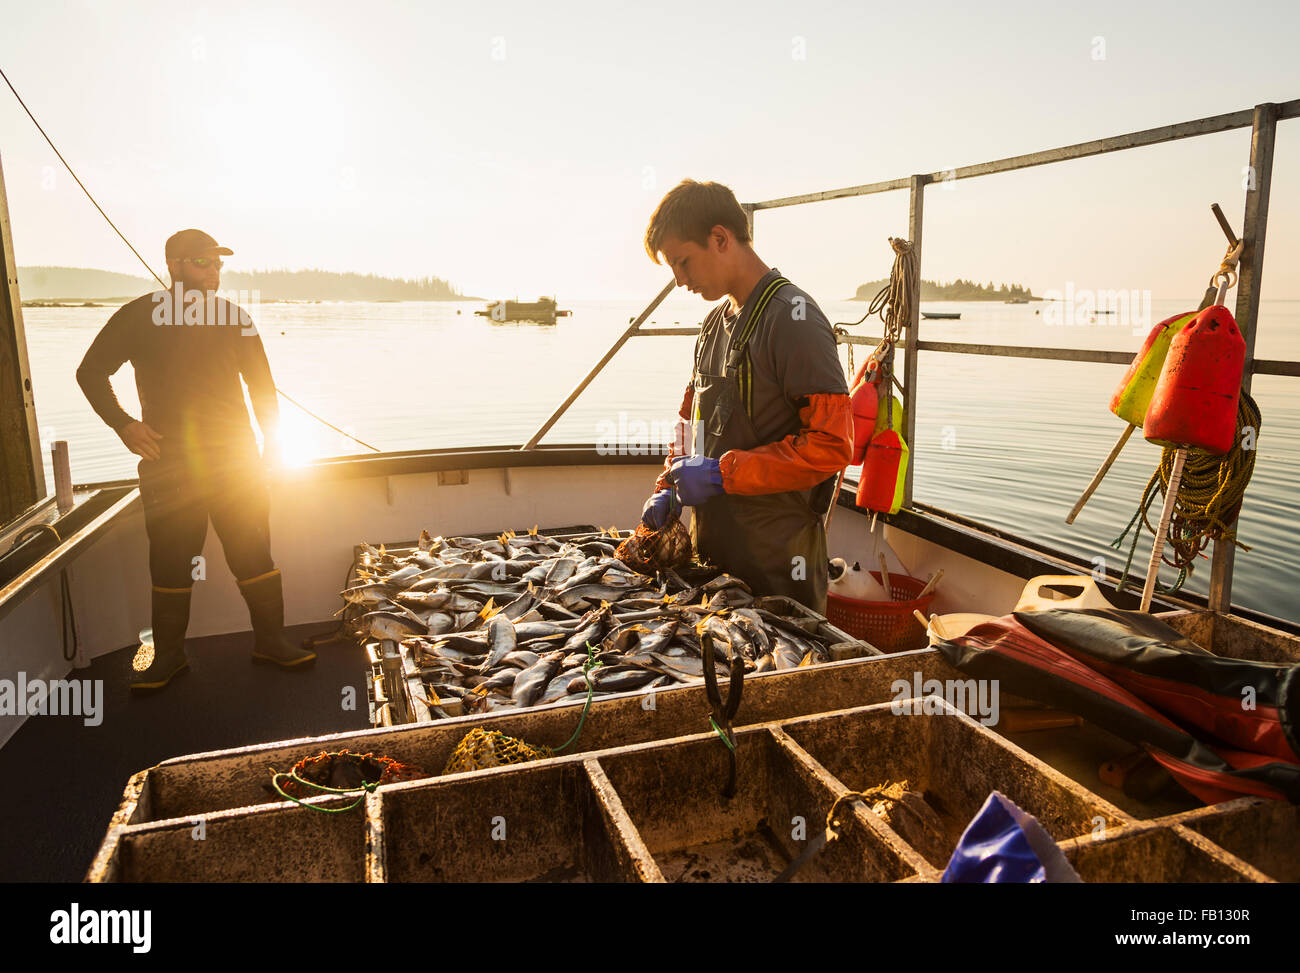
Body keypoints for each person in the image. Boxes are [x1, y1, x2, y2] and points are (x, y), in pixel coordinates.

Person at [76, 229, 315, 693]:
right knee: (170, 559)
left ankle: (270, 641)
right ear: (176, 265)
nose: (214, 271)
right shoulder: (140, 317)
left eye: (219, 264)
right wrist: (124, 425)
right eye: (203, 263)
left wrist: (276, 445)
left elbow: (262, 388)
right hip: (171, 463)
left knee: (252, 551)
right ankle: (168, 656)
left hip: (236, 461)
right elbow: (90, 372)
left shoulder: (235, 319)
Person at [640, 180, 853, 614]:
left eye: (683, 262)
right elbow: (689, 421)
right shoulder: (712, 325)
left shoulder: (794, 318)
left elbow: (833, 445)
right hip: (714, 557)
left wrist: (722, 475)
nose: (679, 280)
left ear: (720, 238)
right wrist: (670, 485)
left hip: (778, 564)